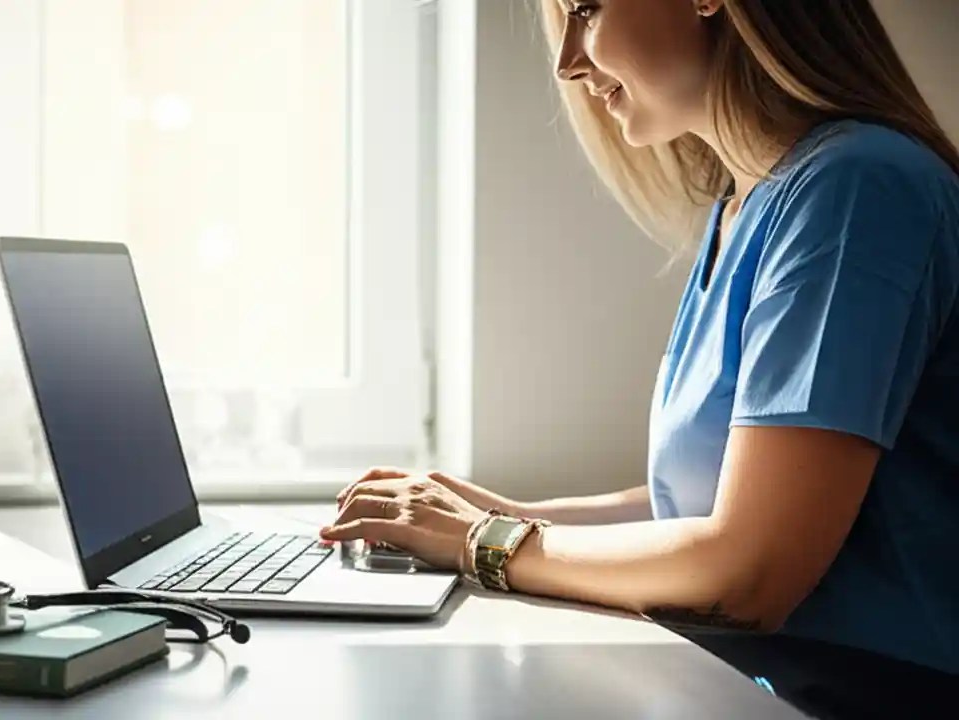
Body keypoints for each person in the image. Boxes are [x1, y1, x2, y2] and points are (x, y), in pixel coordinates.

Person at [321, 0, 959, 700]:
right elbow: (698, 511)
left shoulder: (856, 187)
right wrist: (497, 514)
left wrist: (487, 541)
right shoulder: (747, 203)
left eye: (587, 9)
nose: (568, 61)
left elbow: (749, 575)